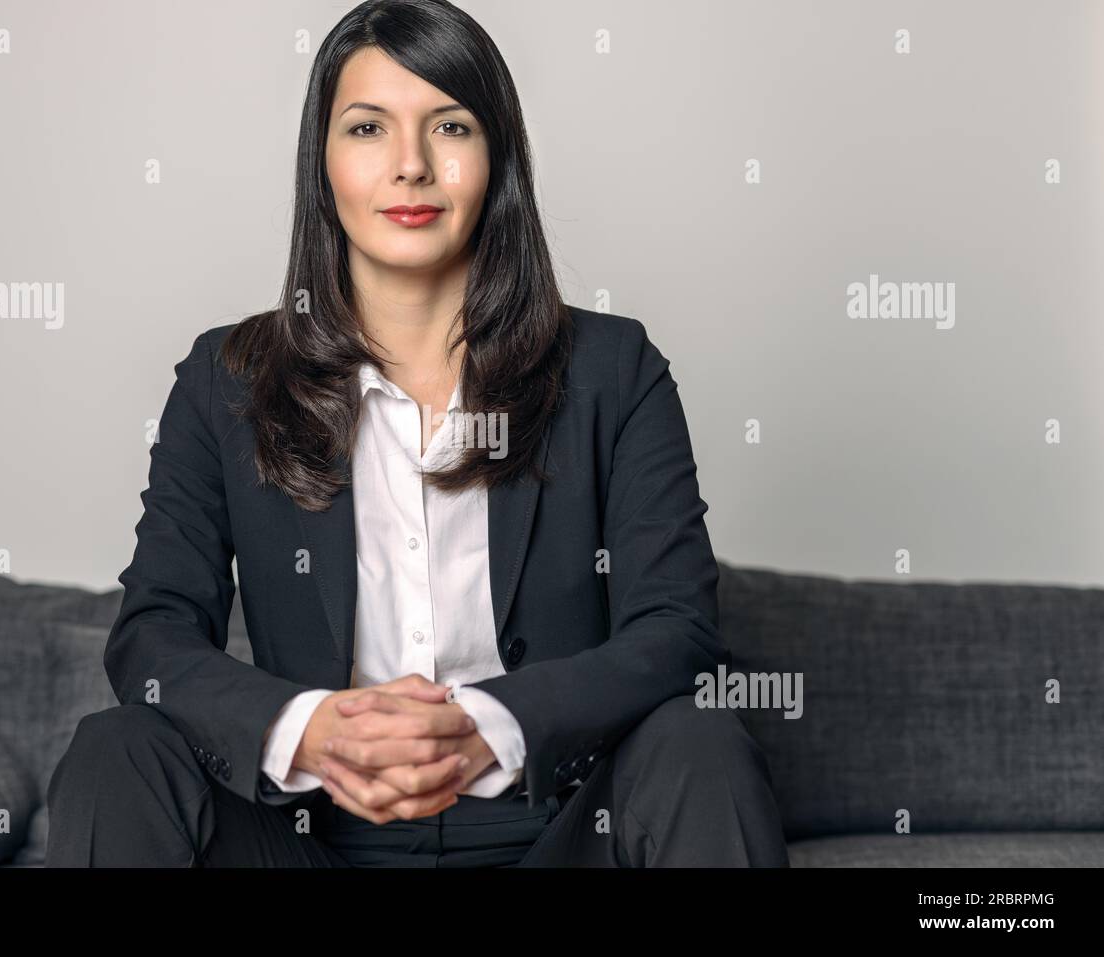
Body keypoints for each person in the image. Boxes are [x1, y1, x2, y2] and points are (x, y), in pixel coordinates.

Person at [45, 0, 789, 868]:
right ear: (321, 164)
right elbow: (153, 637)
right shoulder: (227, 380)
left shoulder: (613, 370)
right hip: (308, 842)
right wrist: (309, 731)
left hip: (555, 833)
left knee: (701, 738)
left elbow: (678, 631)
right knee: (116, 747)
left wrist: (488, 725)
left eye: (450, 126)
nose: (410, 166)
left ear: (495, 157)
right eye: (367, 128)